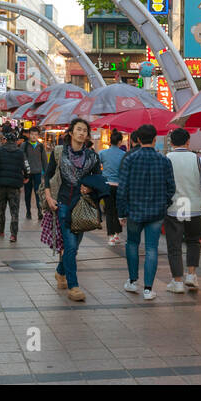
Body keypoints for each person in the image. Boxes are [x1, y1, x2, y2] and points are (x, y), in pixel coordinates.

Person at [42, 118, 105, 302]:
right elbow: (48, 175)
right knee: (69, 246)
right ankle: (74, 286)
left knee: (74, 247)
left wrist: (90, 187)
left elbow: (98, 178)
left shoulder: (93, 156)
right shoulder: (59, 152)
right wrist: (48, 197)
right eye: (78, 129)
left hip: (82, 205)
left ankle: (60, 271)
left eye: (84, 130)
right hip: (63, 204)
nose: (81, 133)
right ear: (71, 132)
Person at [117, 125, 175, 301]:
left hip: (134, 211)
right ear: (155, 139)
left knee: (132, 244)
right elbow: (171, 187)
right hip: (156, 212)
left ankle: (133, 281)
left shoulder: (130, 159)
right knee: (151, 248)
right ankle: (148, 289)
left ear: (138, 140)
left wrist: (121, 212)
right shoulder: (164, 160)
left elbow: (122, 188)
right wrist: (164, 202)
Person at [162, 127, 201, 294]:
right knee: (193, 241)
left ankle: (177, 282)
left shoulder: (166, 159)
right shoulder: (198, 161)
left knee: (174, 246)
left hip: (173, 208)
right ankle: (191, 274)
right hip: (194, 208)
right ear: (188, 142)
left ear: (171, 143)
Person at [0, 125, 29, 242]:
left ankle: (0, 230)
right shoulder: (20, 152)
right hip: (15, 186)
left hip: (1, 184)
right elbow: (27, 167)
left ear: (5, 140)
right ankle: (13, 235)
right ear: (16, 141)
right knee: (14, 211)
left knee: (1, 209)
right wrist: (26, 177)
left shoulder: (0, 150)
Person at [99, 130, 127, 245]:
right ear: (120, 141)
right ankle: (117, 235)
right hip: (119, 186)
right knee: (118, 211)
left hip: (107, 185)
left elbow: (97, 166)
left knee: (109, 211)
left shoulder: (103, 153)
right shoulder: (123, 155)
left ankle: (110, 236)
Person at [22, 126, 47, 220]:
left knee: (38, 193)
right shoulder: (24, 145)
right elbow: (22, 159)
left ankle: (39, 211)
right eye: (32, 134)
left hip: (38, 173)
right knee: (27, 193)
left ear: (38, 136)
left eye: (36, 135)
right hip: (27, 174)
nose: (34, 136)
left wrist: (46, 174)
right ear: (29, 135)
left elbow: (44, 161)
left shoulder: (40, 146)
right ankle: (28, 211)